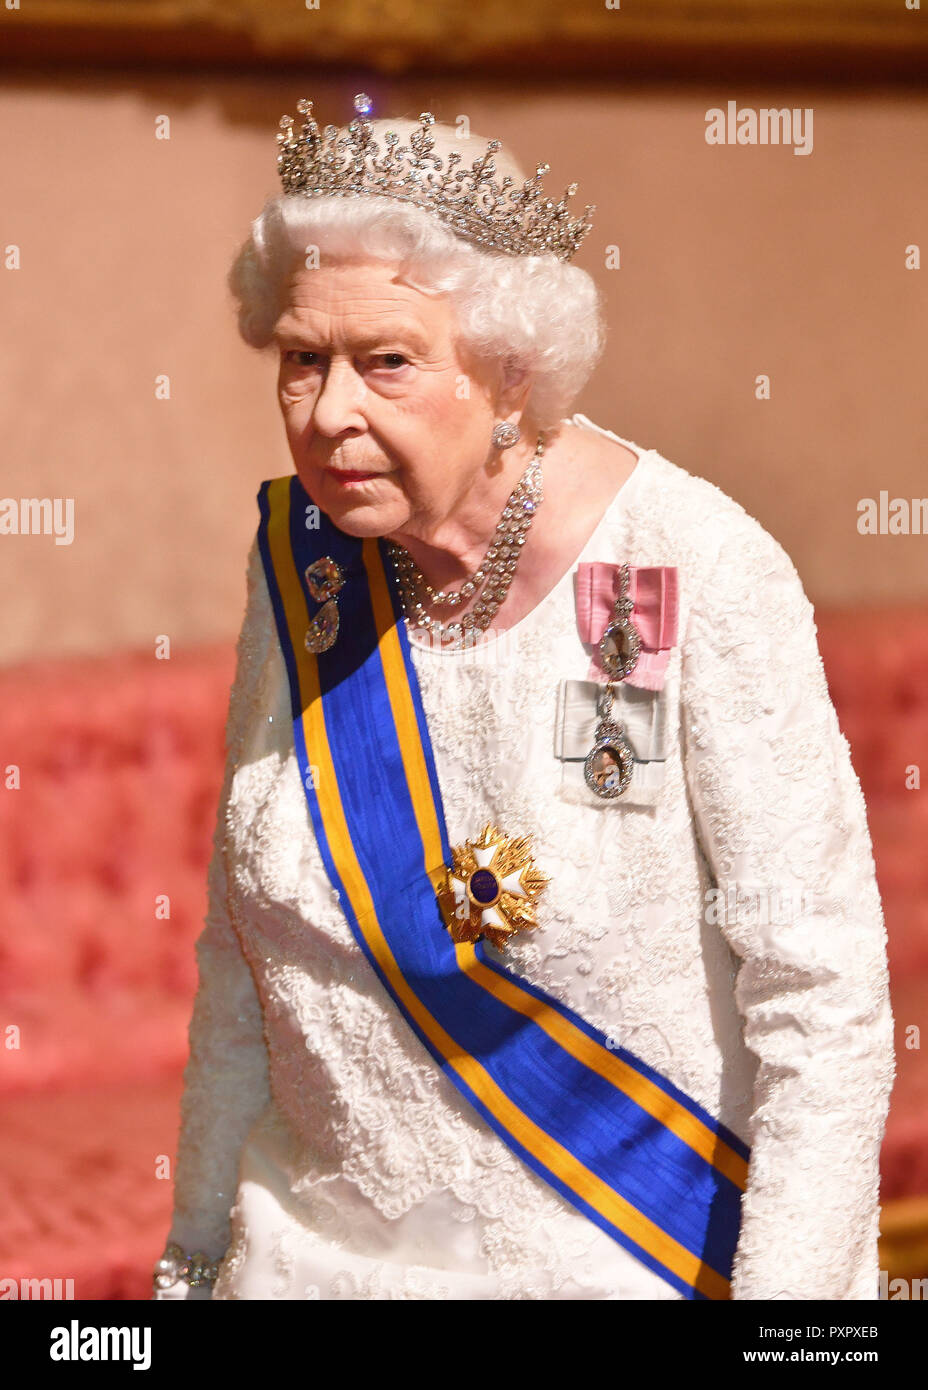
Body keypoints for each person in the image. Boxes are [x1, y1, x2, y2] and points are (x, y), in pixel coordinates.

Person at [152, 95, 894, 1301]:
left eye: (386, 360)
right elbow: (245, 957)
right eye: (302, 358)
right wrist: (187, 1262)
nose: (329, 411)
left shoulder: (694, 565)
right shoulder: (303, 562)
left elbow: (821, 1001)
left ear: (510, 372)